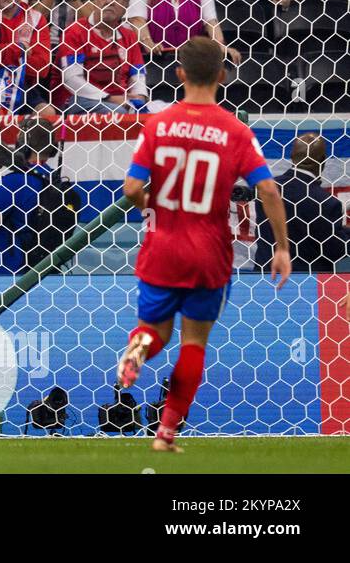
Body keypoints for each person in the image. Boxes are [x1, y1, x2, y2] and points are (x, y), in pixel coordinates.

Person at [118, 36, 291, 453]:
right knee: (194, 342)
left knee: (153, 331)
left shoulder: (157, 125)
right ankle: (166, 432)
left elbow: (130, 187)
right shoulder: (234, 129)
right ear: (221, 75)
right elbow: (266, 188)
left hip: (162, 246)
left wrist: (151, 205)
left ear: (178, 74)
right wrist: (282, 247)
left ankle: (135, 354)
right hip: (210, 252)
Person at [0, 117, 69, 275]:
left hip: (8, 277)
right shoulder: (53, 180)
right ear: (52, 148)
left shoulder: (14, 183)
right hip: (47, 273)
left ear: (22, 146)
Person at [255, 133, 350, 273]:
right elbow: (338, 251)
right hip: (307, 285)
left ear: (292, 157)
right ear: (323, 161)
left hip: (264, 280)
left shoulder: (267, 189)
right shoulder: (326, 203)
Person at [59, 0, 148, 113]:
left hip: (122, 101)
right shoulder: (75, 32)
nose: (109, 1)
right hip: (80, 100)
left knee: (156, 116)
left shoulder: (129, 36)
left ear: (126, 5)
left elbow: (138, 76)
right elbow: (72, 80)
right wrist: (110, 98)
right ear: (94, 0)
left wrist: (139, 99)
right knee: (118, 113)